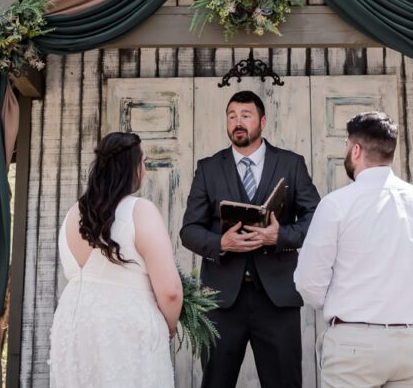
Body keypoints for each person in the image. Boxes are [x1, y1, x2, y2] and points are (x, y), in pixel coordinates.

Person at [294, 111, 413, 388]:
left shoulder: (336, 205)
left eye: (345, 146)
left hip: (354, 346)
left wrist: (341, 306)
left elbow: (308, 281)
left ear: (356, 150)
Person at [181, 90, 321, 388]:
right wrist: (221, 244)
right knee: (216, 381)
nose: (238, 122)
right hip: (221, 299)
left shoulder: (291, 164)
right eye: (232, 116)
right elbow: (189, 230)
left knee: (285, 382)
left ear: (263, 121)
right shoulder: (208, 168)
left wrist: (280, 236)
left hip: (277, 298)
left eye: (245, 115)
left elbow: (317, 220)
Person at [49, 131, 182, 388]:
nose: (144, 169)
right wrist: (169, 328)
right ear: (132, 168)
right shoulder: (140, 211)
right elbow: (171, 292)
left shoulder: (71, 214)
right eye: (143, 162)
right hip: (125, 328)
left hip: (73, 324)